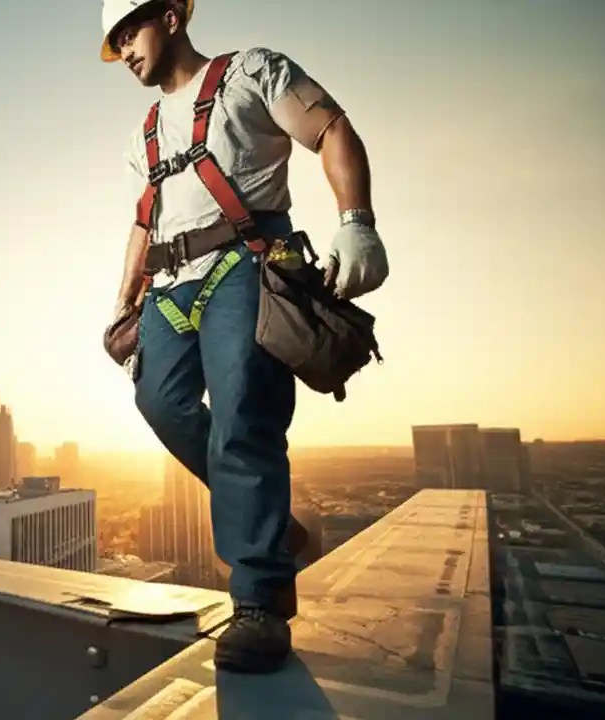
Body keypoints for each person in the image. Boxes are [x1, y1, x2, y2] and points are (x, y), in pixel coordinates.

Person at [100, 0, 389, 673]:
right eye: (115, 40)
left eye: (131, 31)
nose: (126, 49)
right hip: (169, 286)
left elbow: (331, 128)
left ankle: (259, 597)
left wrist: (358, 220)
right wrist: (122, 308)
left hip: (247, 264)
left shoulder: (251, 73)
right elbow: (144, 224)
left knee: (242, 420)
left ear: (172, 16)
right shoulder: (144, 132)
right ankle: (274, 526)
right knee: (160, 404)